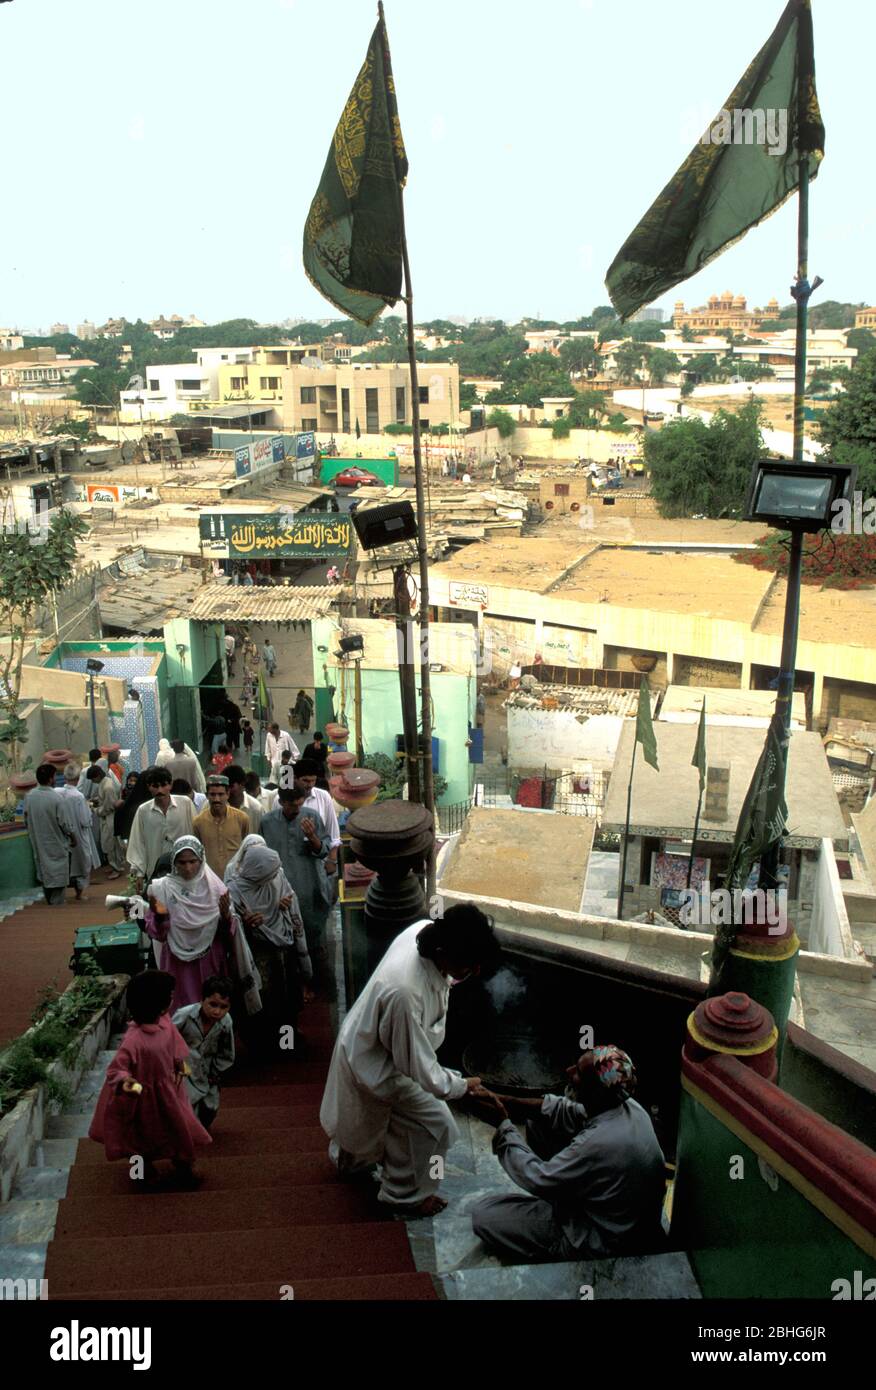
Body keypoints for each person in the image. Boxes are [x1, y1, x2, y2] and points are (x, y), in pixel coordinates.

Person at [319, 906, 499, 1216]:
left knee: (366, 1123)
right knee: (439, 1124)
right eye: (468, 965)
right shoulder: (405, 994)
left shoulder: (427, 930)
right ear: (444, 953)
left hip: (376, 1050)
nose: (475, 972)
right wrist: (459, 1086)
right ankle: (407, 1196)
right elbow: (420, 1070)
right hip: (378, 1067)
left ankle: (352, 1163)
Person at [469, 1046, 666, 1263]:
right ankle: (562, 1195)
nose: (568, 1071)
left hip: (604, 1239)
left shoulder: (598, 1142)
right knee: (538, 1123)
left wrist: (503, 1125)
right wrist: (497, 1099)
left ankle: (560, 1247)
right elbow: (560, 1109)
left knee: (483, 1216)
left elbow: (537, 1178)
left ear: (596, 1091)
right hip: (621, 1211)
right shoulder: (625, 1104)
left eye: (579, 1073)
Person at [88, 968, 212, 1189]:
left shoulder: (164, 1023)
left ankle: (184, 1168)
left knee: (177, 1128)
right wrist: (135, 1088)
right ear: (160, 1005)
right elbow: (116, 1072)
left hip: (169, 1092)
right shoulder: (133, 1040)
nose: (173, 999)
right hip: (142, 1100)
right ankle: (143, 1171)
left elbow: (174, 1046)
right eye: (169, 996)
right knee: (141, 1137)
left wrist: (180, 1066)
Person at [224, 836, 313, 1054]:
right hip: (256, 953)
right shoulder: (234, 890)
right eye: (269, 874)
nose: (274, 876)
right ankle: (262, 1048)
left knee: (286, 1001)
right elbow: (228, 924)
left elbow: (288, 896)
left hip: (282, 948)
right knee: (262, 1002)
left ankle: (287, 1044)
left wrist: (284, 904)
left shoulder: (276, 874)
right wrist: (245, 923)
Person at [146, 838, 238, 1009]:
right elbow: (156, 933)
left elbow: (227, 935)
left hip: (208, 959)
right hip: (177, 960)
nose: (188, 868)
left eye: (192, 861)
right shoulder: (162, 889)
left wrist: (225, 917)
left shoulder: (216, 890)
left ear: (201, 860)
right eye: (182, 862)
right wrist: (160, 917)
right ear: (174, 862)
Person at [261, 784, 331, 979]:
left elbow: (324, 849)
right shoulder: (267, 822)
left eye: (300, 804)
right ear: (281, 802)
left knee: (312, 939)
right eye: (292, 805)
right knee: (285, 943)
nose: (297, 809)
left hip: (309, 889)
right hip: (278, 893)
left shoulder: (312, 817)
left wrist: (312, 837)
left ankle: (315, 982)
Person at [172, 975, 236, 1130]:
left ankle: (199, 1128)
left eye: (223, 1007)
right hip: (184, 1068)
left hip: (207, 1070)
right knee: (187, 1105)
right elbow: (168, 1038)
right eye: (213, 1005)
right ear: (202, 1000)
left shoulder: (226, 1022)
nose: (217, 1011)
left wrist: (217, 1071)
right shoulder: (185, 1015)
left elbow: (227, 1050)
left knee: (210, 1108)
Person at [125, 767, 195, 889]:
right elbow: (138, 842)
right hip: (156, 870)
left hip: (185, 868)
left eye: (163, 785)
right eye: (155, 786)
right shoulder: (143, 811)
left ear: (171, 785)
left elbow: (196, 833)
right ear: (148, 787)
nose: (160, 790)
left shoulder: (185, 803)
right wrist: (139, 873)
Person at [24, 763, 78, 905]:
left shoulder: (30, 797)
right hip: (56, 842)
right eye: (54, 776)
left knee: (45, 872)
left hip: (38, 841)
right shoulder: (56, 798)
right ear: (50, 779)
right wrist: (73, 837)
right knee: (58, 874)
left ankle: (50, 901)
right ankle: (57, 905)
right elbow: (65, 823)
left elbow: (26, 818)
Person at [295, 757, 341, 895]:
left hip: (320, 861)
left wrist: (332, 860)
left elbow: (333, 832)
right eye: (305, 781)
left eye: (313, 780)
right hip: (295, 862)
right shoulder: (282, 801)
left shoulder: (324, 797)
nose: (309, 785)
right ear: (296, 779)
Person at [57, 763, 101, 900]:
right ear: (78, 778)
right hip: (80, 835)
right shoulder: (78, 796)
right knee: (82, 863)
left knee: (67, 864)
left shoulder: (57, 793)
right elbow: (85, 820)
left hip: (62, 834)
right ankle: (79, 894)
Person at [193, 776, 250, 879]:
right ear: (206, 795)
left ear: (227, 794)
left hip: (236, 880)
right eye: (212, 795)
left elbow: (247, 849)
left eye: (220, 794)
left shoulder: (241, 818)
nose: (216, 799)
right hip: (209, 881)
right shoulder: (198, 822)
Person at [86, 765, 126, 878]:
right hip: (107, 818)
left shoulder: (107, 786)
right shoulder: (105, 782)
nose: (93, 782)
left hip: (110, 818)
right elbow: (104, 798)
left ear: (97, 776)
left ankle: (117, 868)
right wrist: (96, 800)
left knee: (111, 845)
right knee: (110, 844)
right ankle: (114, 865)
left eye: (93, 779)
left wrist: (94, 809)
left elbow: (109, 807)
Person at [226, 764, 262, 832]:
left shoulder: (256, 808)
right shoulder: (214, 805)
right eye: (225, 787)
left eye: (231, 786)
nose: (228, 790)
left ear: (242, 784)